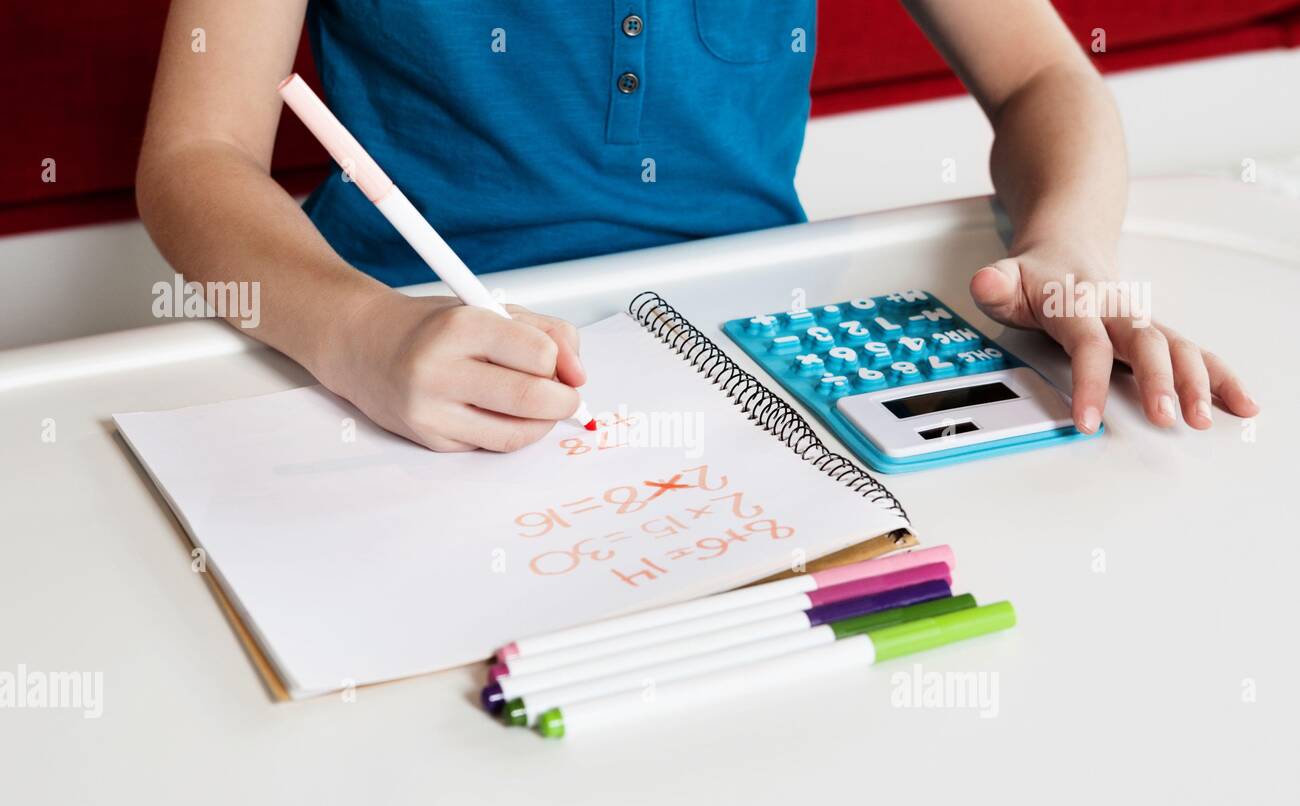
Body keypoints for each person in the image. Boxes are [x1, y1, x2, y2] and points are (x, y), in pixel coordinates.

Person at [136, 0, 1257, 454]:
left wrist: (1066, 243)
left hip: (756, 370)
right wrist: (358, 334)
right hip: (398, 368)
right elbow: (195, 158)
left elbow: (1043, 80)